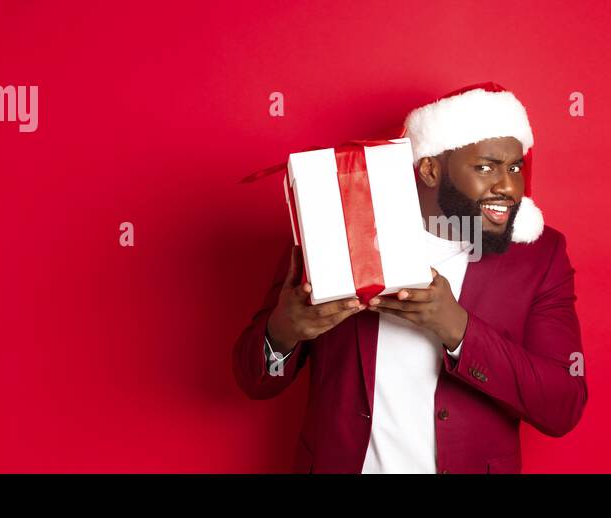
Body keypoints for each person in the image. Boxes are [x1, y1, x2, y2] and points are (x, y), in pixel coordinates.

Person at [231, 83, 586, 473]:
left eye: (514, 167)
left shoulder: (538, 256)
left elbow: (562, 406)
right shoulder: (334, 226)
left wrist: (457, 328)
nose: (507, 186)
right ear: (430, 169)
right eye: (485, 167)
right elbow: (255, 381)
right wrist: (284, 330)